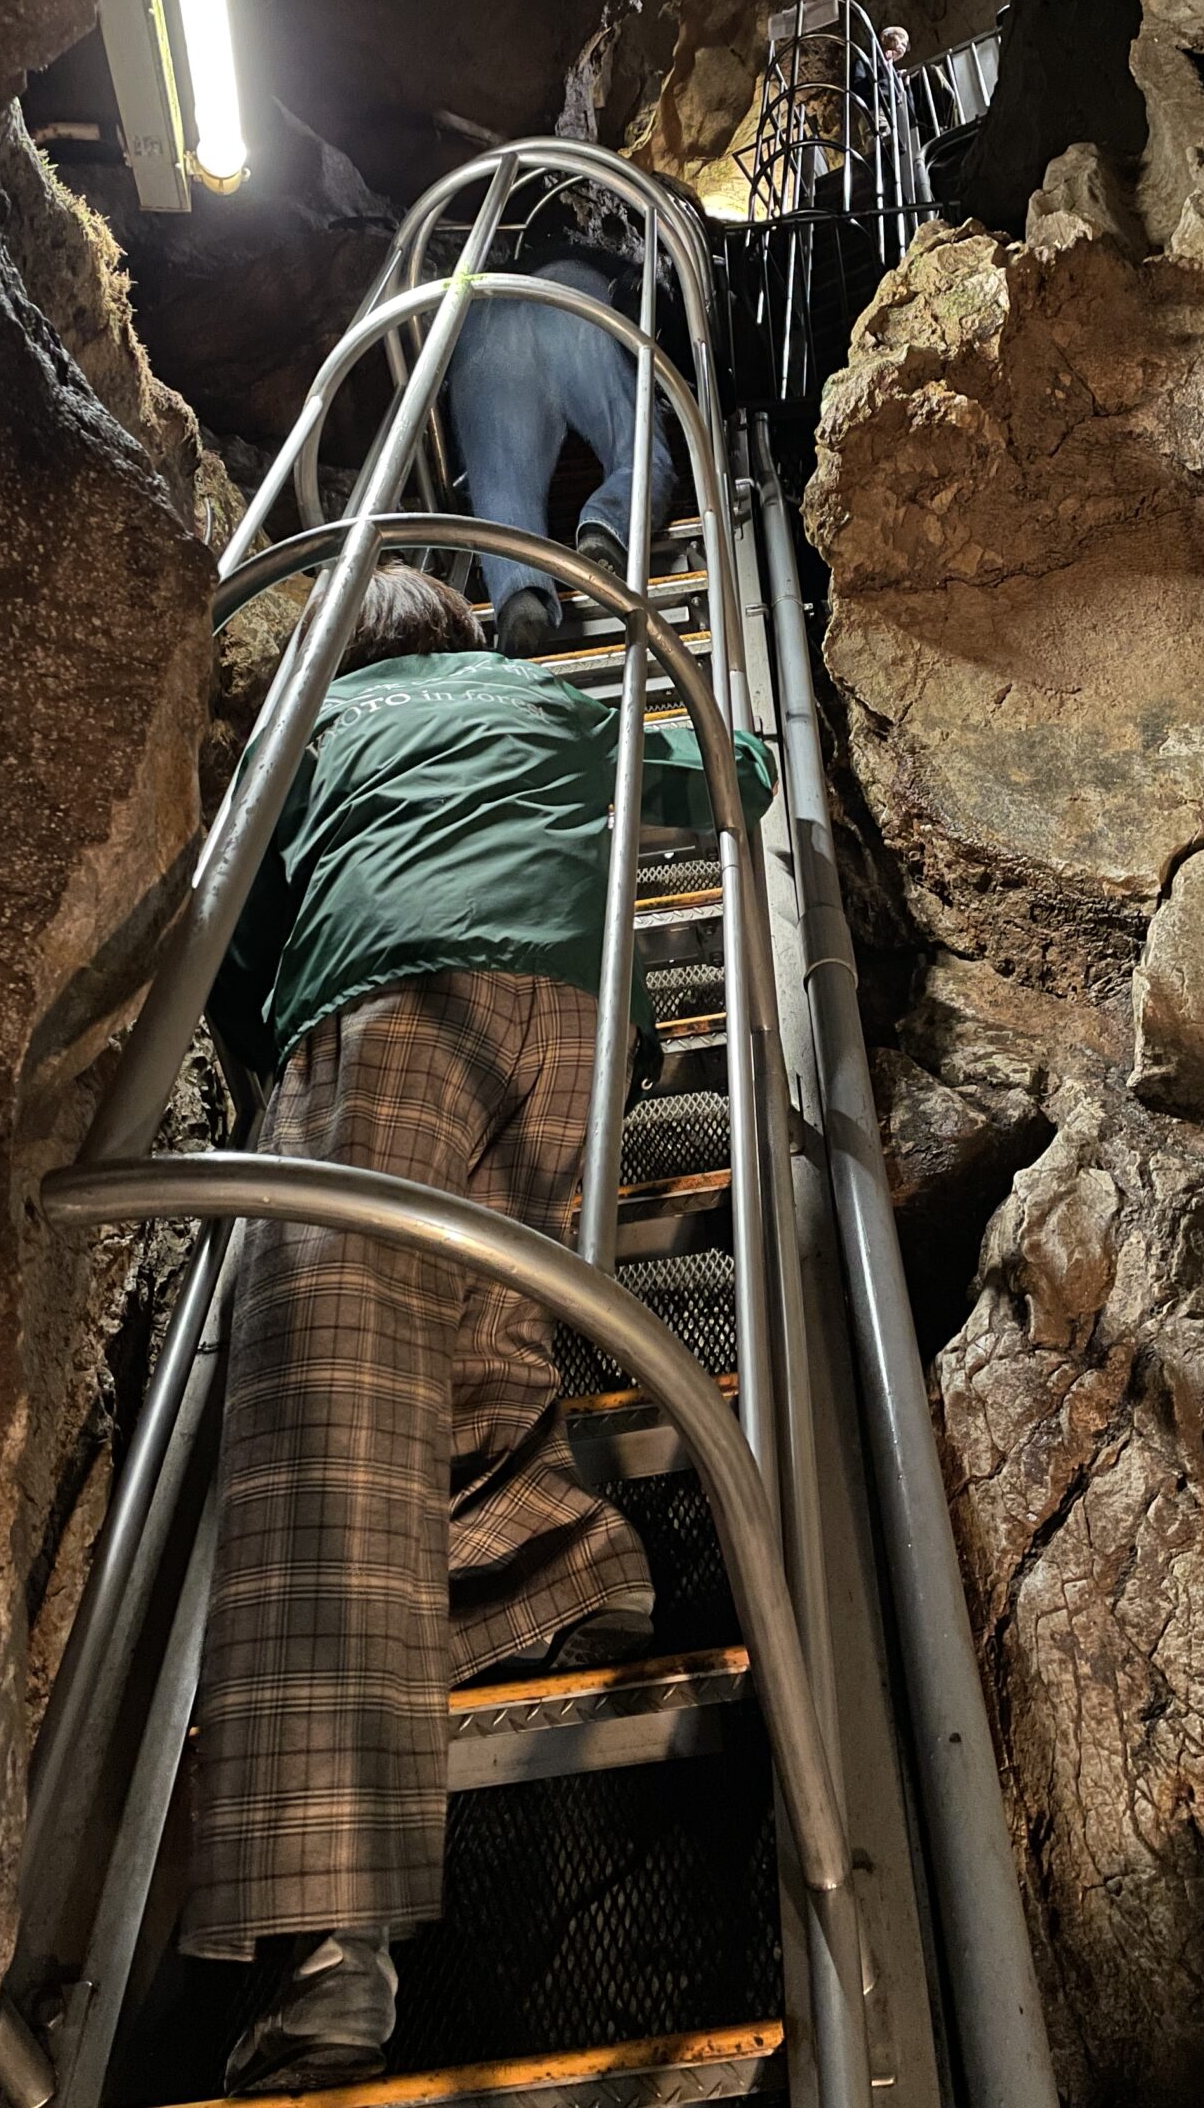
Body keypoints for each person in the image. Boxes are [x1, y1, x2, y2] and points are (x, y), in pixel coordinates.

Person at [192, 564, 775, 2094]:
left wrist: (276, 1056)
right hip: (589, 1030)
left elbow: (232, 953)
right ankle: (560, 1583)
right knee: (488, 1325)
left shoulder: (310, 735)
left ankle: (323, 1944)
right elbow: (730, 773)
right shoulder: (537, 692)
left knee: (324, 1379)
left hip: (396, 994)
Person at [445, 249, 678, 659]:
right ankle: (608, 523)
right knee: (637, 447)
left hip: (484, 311)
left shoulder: (484, 248)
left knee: (500, 482)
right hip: (572, 291)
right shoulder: (612, 232)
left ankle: (520, 590)